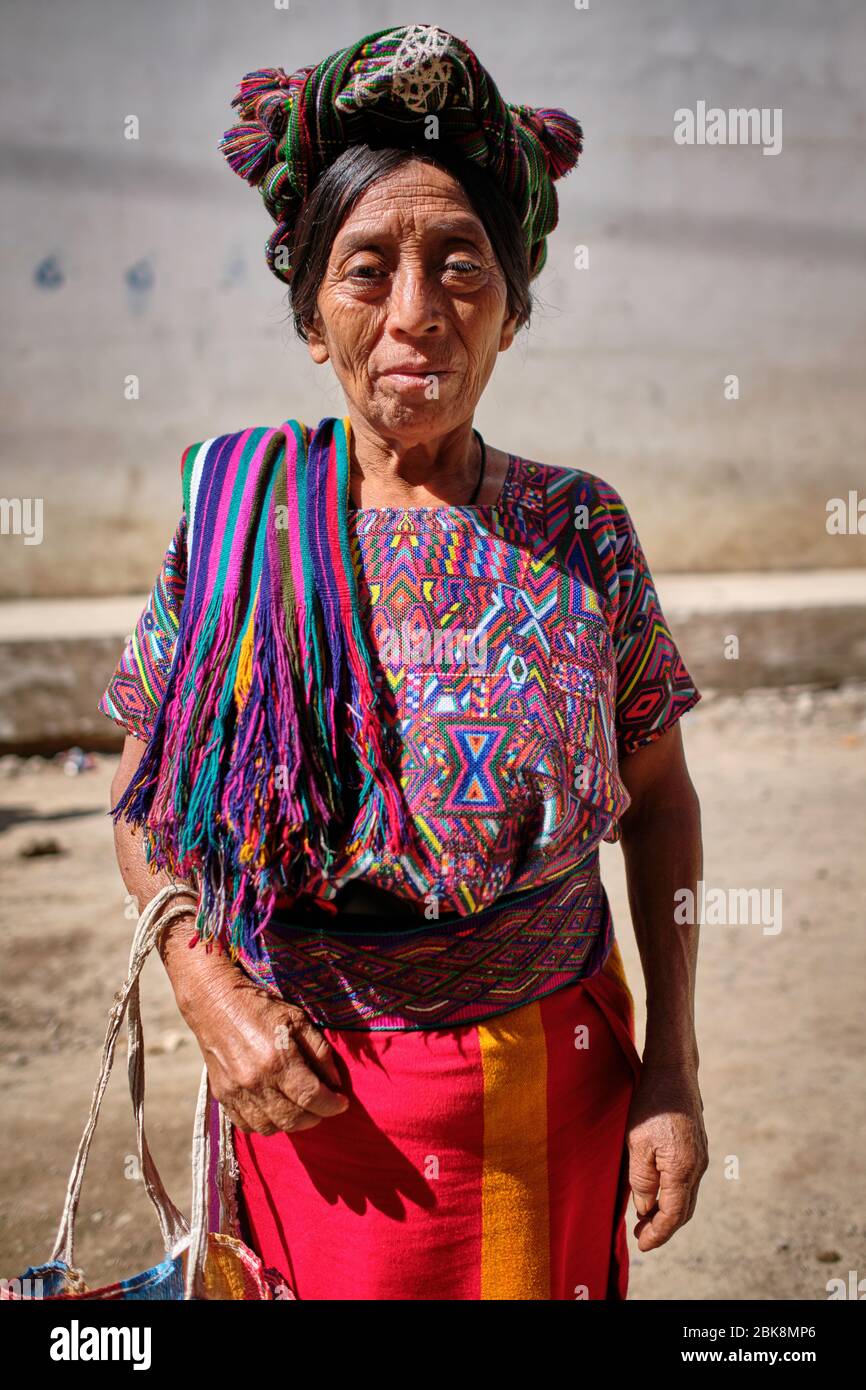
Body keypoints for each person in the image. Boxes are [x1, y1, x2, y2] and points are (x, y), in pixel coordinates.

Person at [100, 23, 708, 1301]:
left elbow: (656, 802)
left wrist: (673, 1071)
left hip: (549, 1085)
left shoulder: (577, 527)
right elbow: (140, 796)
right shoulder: (238, 518)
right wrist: (210, 997)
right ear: (314, 320)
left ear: (511, 311)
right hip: (301, 1092)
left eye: (460, 267)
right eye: (366, 269)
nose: (416, 313)